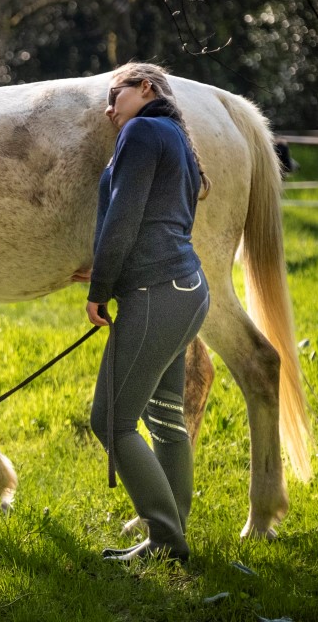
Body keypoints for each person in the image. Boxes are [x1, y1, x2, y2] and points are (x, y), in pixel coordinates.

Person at [84, 63, 211, 564]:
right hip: (185, 288)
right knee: (164, 418)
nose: (109, 109)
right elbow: (161, 219)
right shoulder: (176, 137)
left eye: (115, 96)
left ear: (145, 88)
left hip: (158, 291)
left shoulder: (141, 130)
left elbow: (125, 214)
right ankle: (172, 530)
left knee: (111, 421)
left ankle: (165, 539)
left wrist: (100, 287)